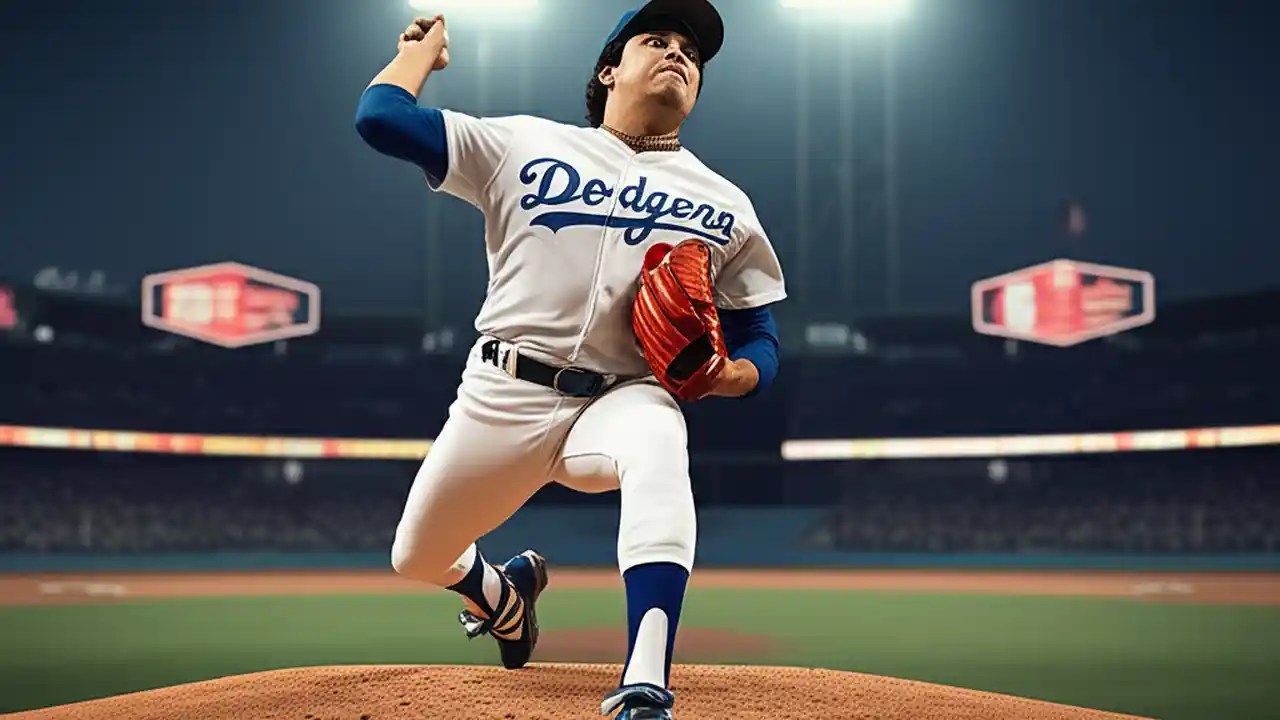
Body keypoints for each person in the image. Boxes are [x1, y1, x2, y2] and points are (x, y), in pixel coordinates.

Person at [354, 1, 785, 717]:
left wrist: (732, 376)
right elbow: (381, 120)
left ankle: (646, 679)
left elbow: (759, 337)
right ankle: (504, 596)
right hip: (503, 391)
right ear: (609, 69)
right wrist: (418, 57)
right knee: (418, 555)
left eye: (692, 52)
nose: (678, 52)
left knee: (658, 440)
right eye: (657, 39)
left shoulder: (725, 204)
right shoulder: (522, 144)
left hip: (621, 397)